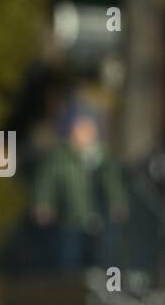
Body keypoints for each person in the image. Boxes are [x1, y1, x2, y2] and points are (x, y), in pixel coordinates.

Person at [33, 106, 128, 272]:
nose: (85, 133)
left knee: (101, 257)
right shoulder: (60, 156)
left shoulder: (101, 156)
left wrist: (117, 202)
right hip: (70, 217)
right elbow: (47, 181)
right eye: (81, 128)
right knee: (70, 258)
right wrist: (44, 203)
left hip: (97, 219)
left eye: (89, 128)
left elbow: (112, 182)